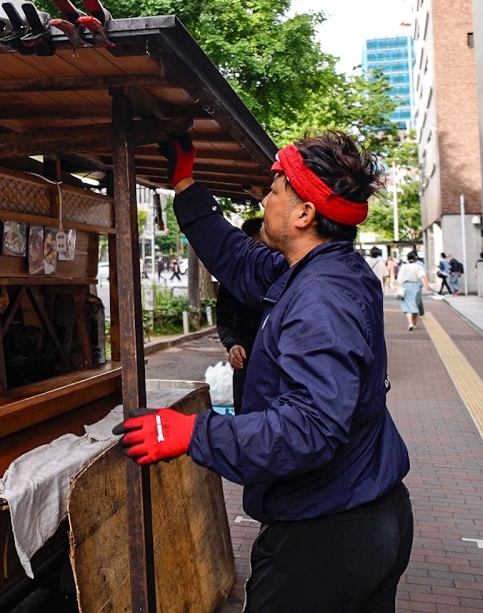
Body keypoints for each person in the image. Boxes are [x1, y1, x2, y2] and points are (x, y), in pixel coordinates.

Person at [116, 131, 412, 612]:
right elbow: (238, 257)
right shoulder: (320, 270)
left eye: (274, 190)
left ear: (303, 214)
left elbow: (312, 427)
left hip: (330, 535)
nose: (265, 198)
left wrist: (194, 434)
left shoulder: (322, 298)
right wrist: (186, 186)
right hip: (356, 514)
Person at [215, 217, 262, 413]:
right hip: (247, 368)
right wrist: (232, 345)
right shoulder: (234, 278)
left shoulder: (289, 272)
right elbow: (224, 322)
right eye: (256, 246)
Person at [396, 251, 432, 331]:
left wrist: (400, 286)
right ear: (415, 258)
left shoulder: (404, 266)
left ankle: (410, 322)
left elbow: (400, 278)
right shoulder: (418, 267)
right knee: (415, 304)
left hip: (406, 286)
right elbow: (422, 276)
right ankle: (414, 323)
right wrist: (426, 285)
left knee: (407, 305)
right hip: (416, 286)